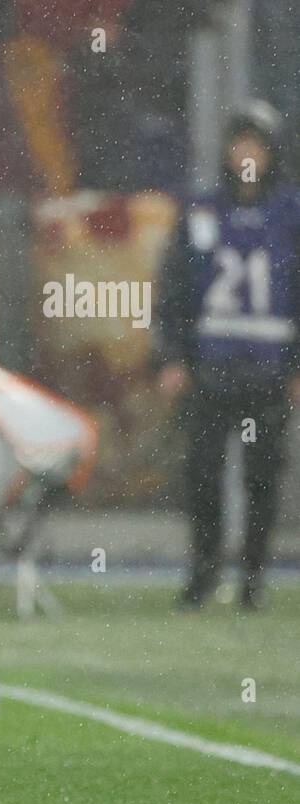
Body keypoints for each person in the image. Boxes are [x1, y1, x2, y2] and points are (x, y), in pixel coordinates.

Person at [155, 100, 300, 611]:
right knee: (203, 475)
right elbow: (173, 292)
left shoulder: (291, 215)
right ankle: (204, 572)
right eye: (239, 143)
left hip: (268, 368)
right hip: (210, 369)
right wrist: (173, 357)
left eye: (256, 145)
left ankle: (253, 578)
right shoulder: (201, 212)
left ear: (272, 152)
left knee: (262, 477)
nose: (246, 155)